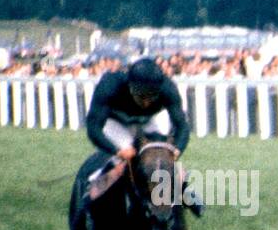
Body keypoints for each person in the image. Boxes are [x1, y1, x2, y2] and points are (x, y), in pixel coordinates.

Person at [84, 56, 200, 212]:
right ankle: (94, 186)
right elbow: (93, 128)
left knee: (162, 154)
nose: (146, 103)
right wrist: (117, 151)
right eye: (141, 96)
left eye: (151, 97)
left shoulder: (168, 88)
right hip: (116, 122)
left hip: (150, 119)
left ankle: (184, 187)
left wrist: (177, 149)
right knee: (127, 154)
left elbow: (182, 126)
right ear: (130, 86)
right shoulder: (109, 85)